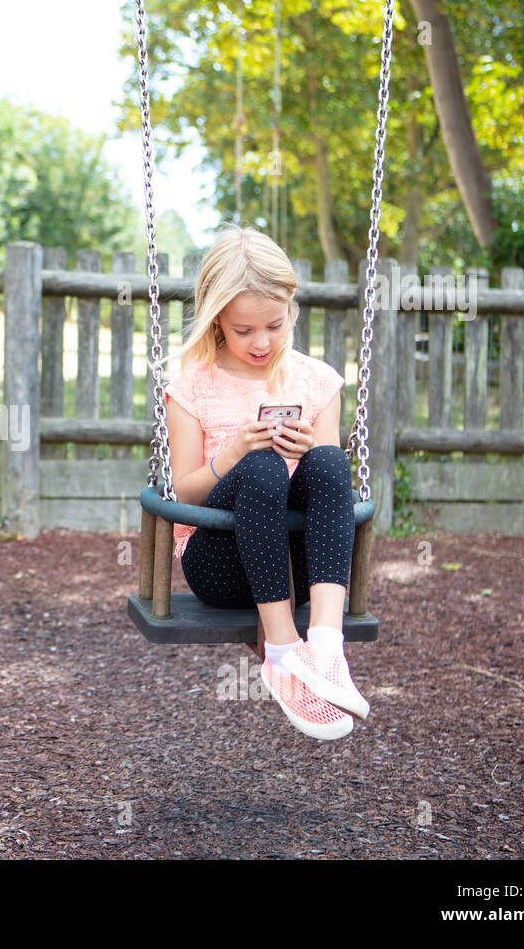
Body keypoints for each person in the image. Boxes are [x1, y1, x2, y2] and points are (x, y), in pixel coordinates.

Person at [164, 226, 369, 740]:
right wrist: (232, 453)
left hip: (297, 566)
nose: (262, 342)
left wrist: (304, 452)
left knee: (325, 461)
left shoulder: (316, 382)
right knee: (258, 466)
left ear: (291, 310)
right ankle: (281, 650)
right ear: (217, 323)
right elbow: (183, 493)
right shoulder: (192, 388)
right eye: (243, 331)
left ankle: (324, 645)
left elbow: (324, 488)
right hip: (221, 564)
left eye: (274, 326)